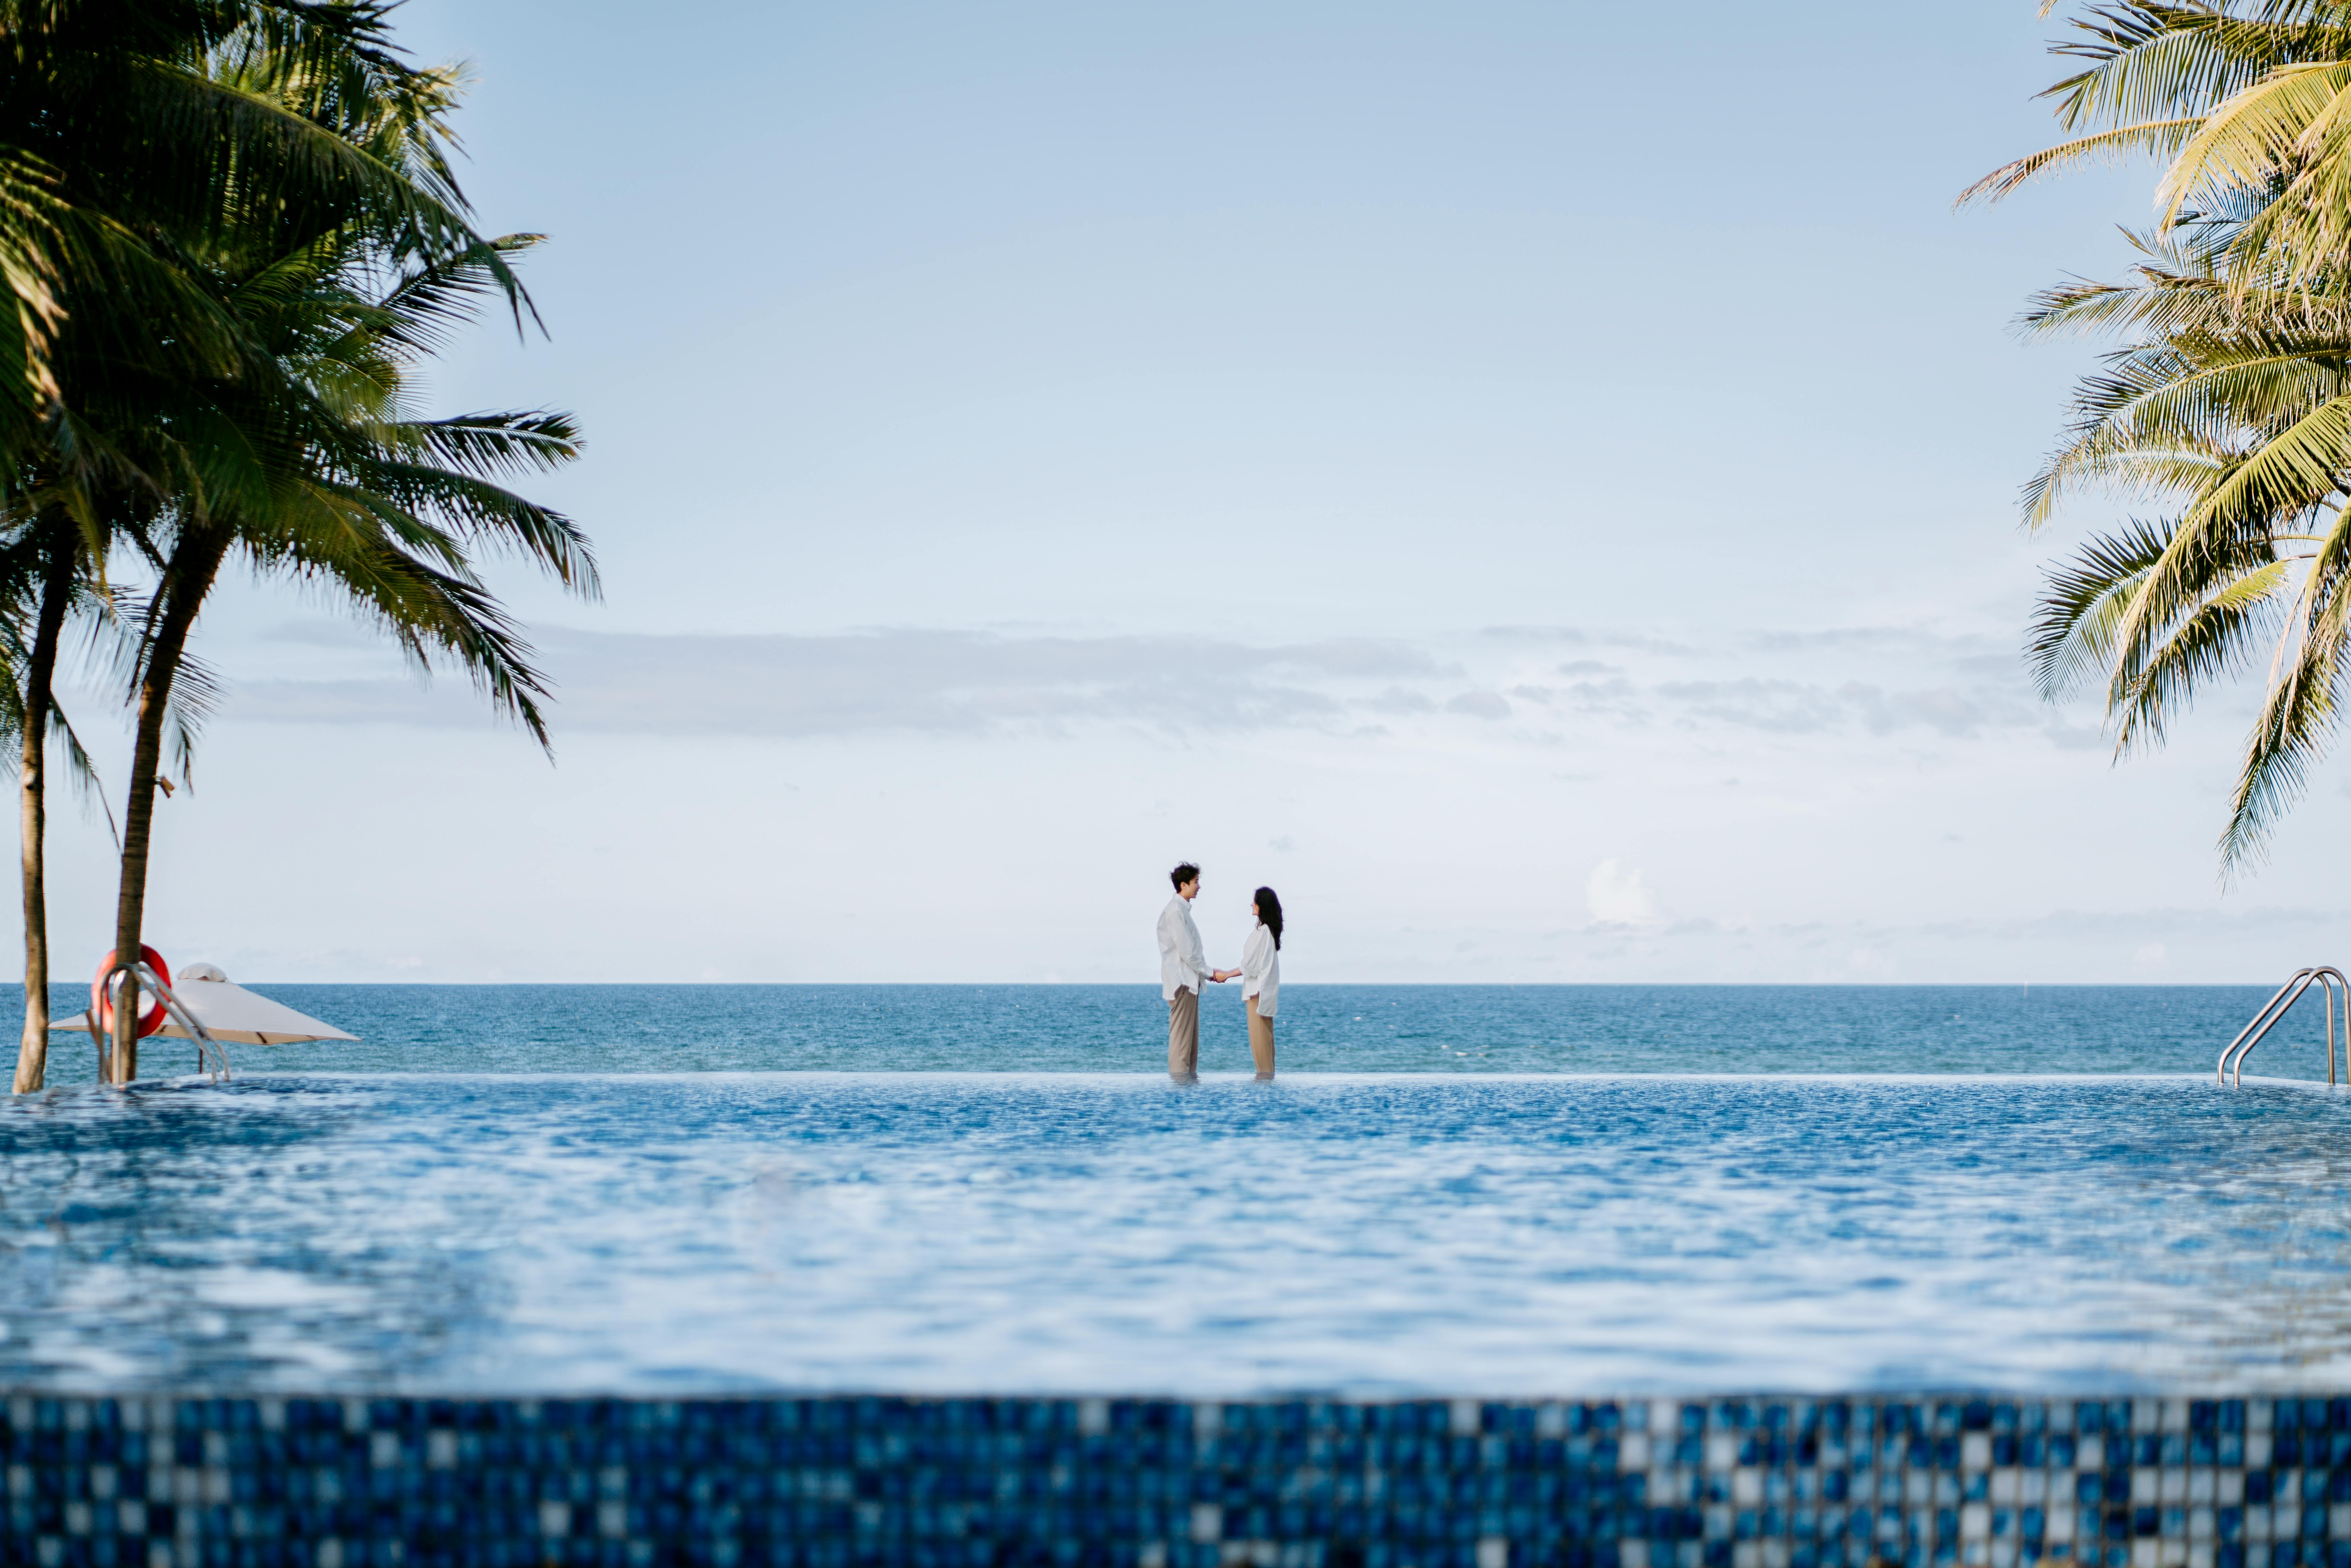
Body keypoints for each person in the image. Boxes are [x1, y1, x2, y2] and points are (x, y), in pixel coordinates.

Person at [1158, 862, 1233, 1078]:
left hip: (1189, 983)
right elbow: (1188, 952)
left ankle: (1188, 1091)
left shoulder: (1181, 911)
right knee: (1182, 1043)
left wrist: (1206, 972)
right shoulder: (1174, 912)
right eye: (1196, 882)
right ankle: (1181, 1092)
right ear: (1184, 885)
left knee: (1190, 1045)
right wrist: (1210, 972)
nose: (1199, 887)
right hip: (1183, 983)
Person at [1241, 886, 1283, 1079]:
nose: (1252, 904)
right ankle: (1267, 1096)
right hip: (1258, 995)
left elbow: (1251, 966)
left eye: (1255, 901)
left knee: (1262, 1052)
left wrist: (1225, 974)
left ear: (1262, 905)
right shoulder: (1265, 932)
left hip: (1256, 996)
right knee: (1265, 1049)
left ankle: (1265, 1098)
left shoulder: (1264, 932)